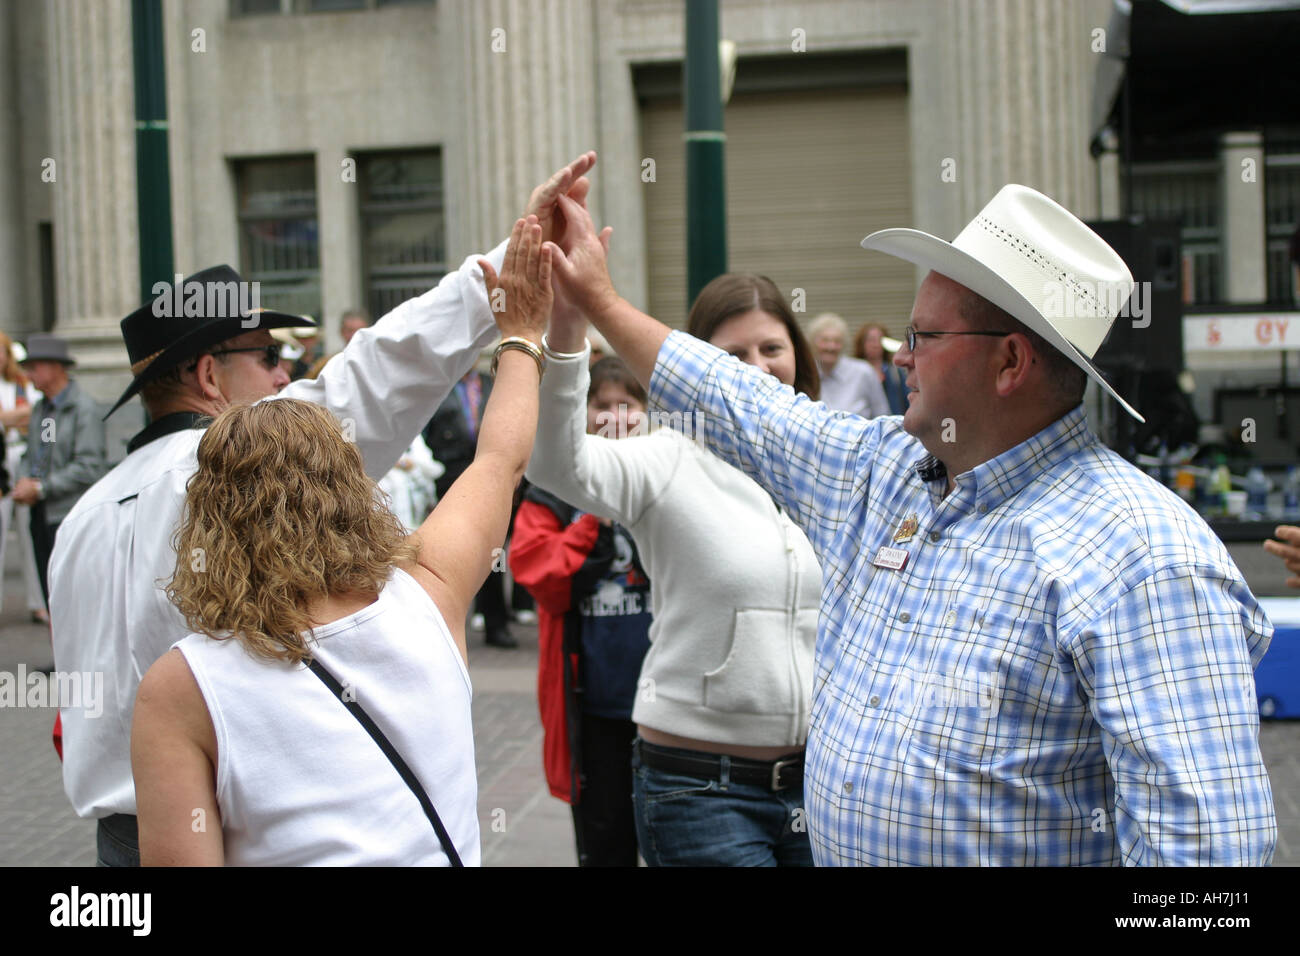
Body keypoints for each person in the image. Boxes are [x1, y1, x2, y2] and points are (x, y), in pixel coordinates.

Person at [546, 181, 1276, 865]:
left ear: (1009, 362)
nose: (900, 356)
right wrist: (599, 302)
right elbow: (745, 404)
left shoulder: (1145, 557)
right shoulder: (887, 470)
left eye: (923, 335)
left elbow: (1208, 868)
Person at [49, 151, 599, 867]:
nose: (286, 373)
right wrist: (520, 258)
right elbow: (388, 368)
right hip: (231, 822)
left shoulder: (80, 520)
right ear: (210, 376)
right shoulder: (230, 460)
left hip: (124, 834)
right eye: (267, 355)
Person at [130, 216, 552, 865]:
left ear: (208, 517)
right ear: (350, 486)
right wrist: (521, 336)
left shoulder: (179, 688)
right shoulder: (430, 592)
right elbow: (499, 459)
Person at [526, 270, 821, 867]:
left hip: (822, 784)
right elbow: (556, 464)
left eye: (772, 348)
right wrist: (567, 327)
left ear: (798, 354)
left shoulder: (828, 462)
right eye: (731, 353)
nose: (757, 367)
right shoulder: (664, 458)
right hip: (701, 787)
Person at [509, 357, 653, 866]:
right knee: (605, 841)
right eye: (602, 406)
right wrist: (594, 518)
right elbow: (537, 575)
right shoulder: (552, 488)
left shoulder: (673, 479)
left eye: (627, 406)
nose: (615, 417)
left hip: (670, 707)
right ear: (583, 412)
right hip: (592, 708)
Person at [11, 334, 106, 608]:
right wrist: (28, 481)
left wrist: (41, 487)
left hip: (68, 516)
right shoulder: (44, 409)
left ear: (56, 367)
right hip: (42, 513)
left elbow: (89, 467)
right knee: (52, 593)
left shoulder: (83, 409)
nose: (29, 375)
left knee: (73, 599)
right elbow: (42, 451)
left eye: (35, 367)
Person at [424, 367, 516, 647]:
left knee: (492, 552)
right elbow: (426, 435)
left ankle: (495, 622)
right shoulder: (440, 385)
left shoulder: (492, 384)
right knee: (452, 549)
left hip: (490, 475)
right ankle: (450, 622)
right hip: (450, 473)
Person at [0, 334, 47, 621]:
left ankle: (38, 602)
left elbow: (39, 418)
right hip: (1, 460)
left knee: (30, 534)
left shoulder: (22, 385)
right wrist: (22, 417)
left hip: (26, 454)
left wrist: (10, 418)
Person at [806, 313, 888, 417]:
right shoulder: (806, 375)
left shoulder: (864, 372)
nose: (831, 347)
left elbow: (883, 415)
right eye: (825, 340)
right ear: (812, 343)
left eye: (837, 341)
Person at [854, 321, 908, 414]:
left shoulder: (895, 372)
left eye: (880, 340)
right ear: (861, 344)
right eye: (870, 340)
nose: (875, 344)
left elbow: (907, 400)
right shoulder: (854, 372)